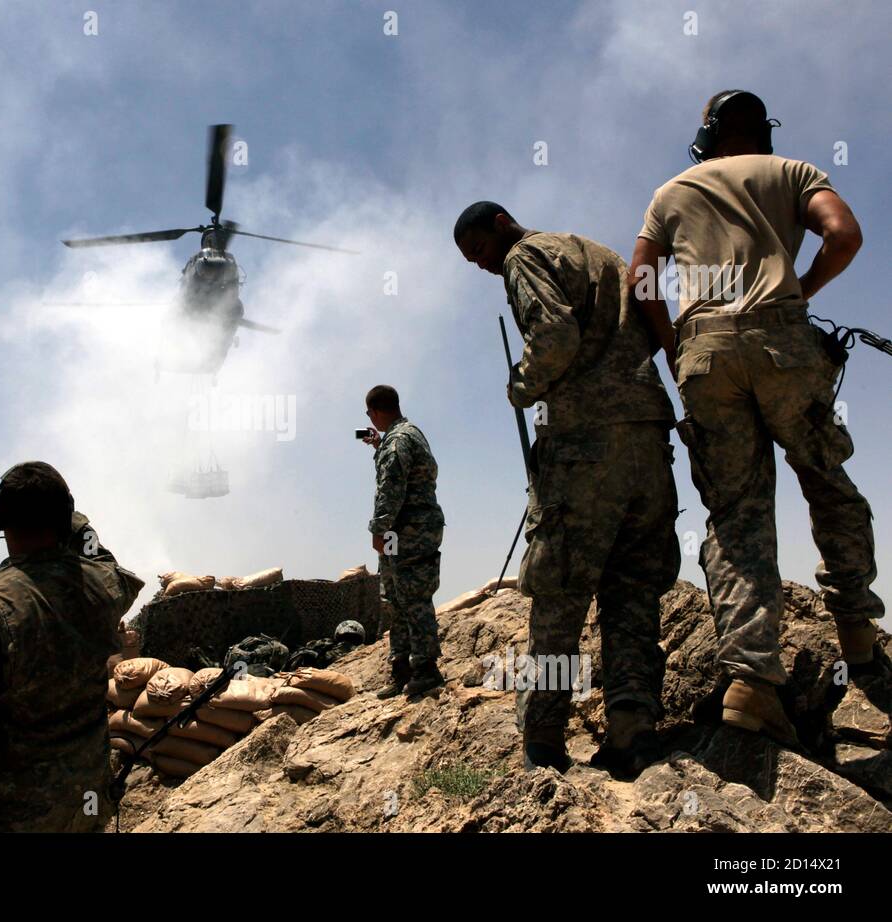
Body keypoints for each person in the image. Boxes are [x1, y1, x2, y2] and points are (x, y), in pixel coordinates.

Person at [628, 90, 883, 745]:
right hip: (783, 343)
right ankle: (858, 638)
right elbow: (845, 235)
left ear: (704, 138)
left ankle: (750, 684)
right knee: (828, 484)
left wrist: (676, 345)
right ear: (762, 133)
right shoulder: (794, 173)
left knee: (737, 519)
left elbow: (641, 284)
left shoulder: (670, 191)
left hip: (705, 351)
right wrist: (800, 290)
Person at [455, 202, 679, 774]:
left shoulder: (524, 256)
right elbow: (648, 328)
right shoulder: (598, 254)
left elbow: (553, 333)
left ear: (502, 223)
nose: (482, 266)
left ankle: (545, 738)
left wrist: (522, 386)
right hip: (648, 439)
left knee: (559, 593)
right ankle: (632, 726)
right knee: (631, 591)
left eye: (480, 250)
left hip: (584, 447)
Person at [0, 462, 144, 832]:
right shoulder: (103, 588)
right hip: (85, 808)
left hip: (15, 818)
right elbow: (98, 553)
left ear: (0, 521)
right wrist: (68, 513)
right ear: (64, 519)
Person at [362, 385, 446, 699]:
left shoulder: (398, 440)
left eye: (369, 413)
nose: (369, 419)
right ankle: (401, 669)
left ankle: (425, 670)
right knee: (395, 599)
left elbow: (392, 486)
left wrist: (378, 527)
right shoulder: (402, 436)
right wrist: (377, 447)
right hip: (403, 531)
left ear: (377, 410)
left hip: (409, 530)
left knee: (413, 596)